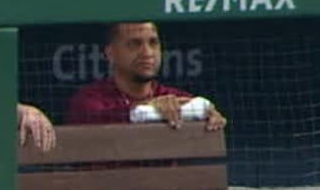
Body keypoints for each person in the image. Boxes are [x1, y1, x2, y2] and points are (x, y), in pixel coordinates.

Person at [65, 22, 227, 131]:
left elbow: (204, 112)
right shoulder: (88, 100)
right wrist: (149, 107)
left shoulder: (173, 99)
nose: (147, 53)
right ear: (110, 53)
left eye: (153, 43)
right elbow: (98, 118)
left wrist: (209, 115)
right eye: (135, 44)